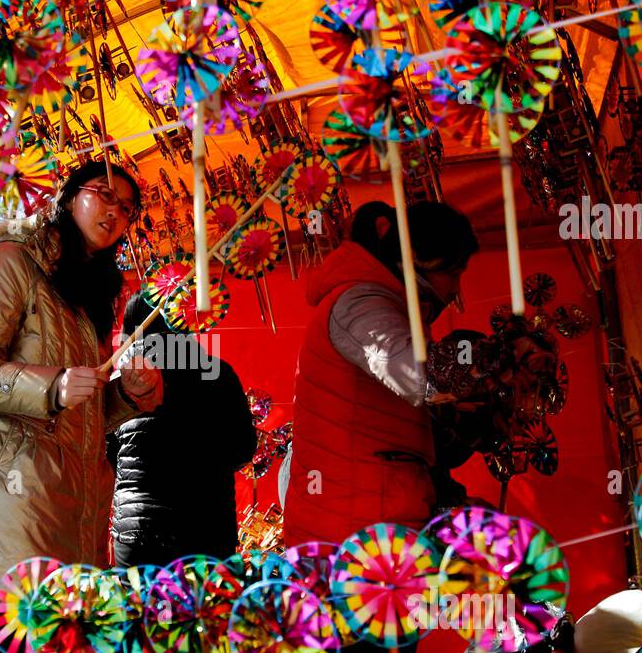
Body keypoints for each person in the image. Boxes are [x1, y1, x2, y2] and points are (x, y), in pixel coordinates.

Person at [0, 161, 163, 653]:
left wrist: (127, 397)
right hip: (12, 511)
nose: (115, 211)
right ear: (67, 198)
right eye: (103, 194)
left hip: (76, 514)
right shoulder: (14, 262)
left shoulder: (88, 296)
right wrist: (52, 385)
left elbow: (80, 415)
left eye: (128, 208)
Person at [284, 200, 478, 546]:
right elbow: (419, 375)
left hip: (369, 518)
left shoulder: (387, 303)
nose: (455, 289)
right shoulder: (362, 301)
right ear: (419, 258)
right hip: (352, 527)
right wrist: (490, 363)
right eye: (453, 273)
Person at [108, 290, 257, 567]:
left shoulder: (120, 383)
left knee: (140, 610)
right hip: (205, 530)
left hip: (137, 533)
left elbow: (107, 457)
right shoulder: (219, 375)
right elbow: (242, 449)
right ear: (183, 323)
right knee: (204, 610)